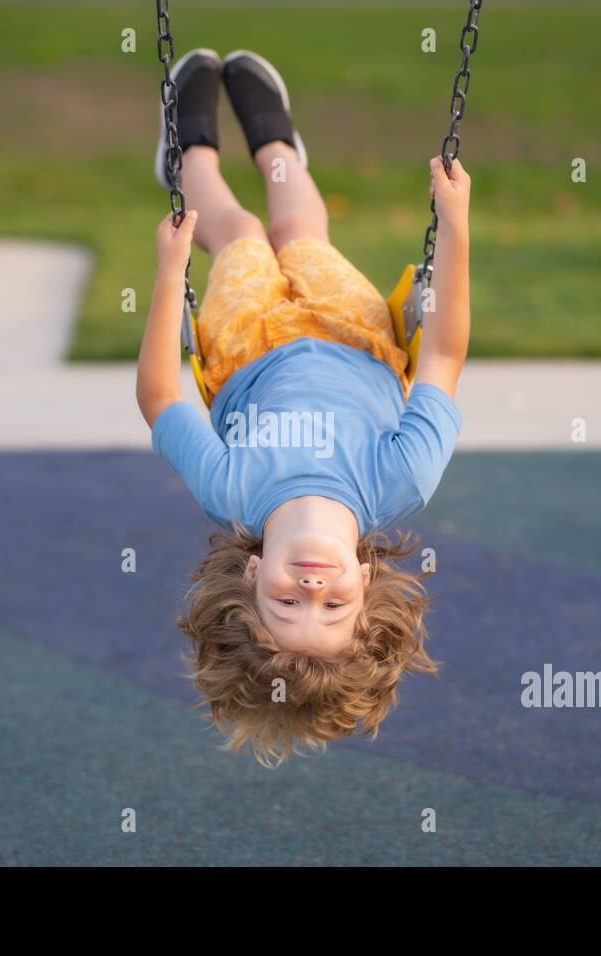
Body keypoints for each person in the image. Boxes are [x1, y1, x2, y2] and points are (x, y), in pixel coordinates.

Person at [137, 49, 471, 766]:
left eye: (288, 606)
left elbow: (162, 395)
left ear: (253, 579)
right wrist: (457, 227)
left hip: (244, 336)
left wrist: (171, 272)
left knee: (242, 233)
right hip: (354, 330)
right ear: (367, 583)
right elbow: (442, 357)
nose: (312, 589)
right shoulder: (399, 480)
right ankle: (278, 144)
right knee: (302, 232)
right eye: (333, 607)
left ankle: (188, 149)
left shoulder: (232, 490)